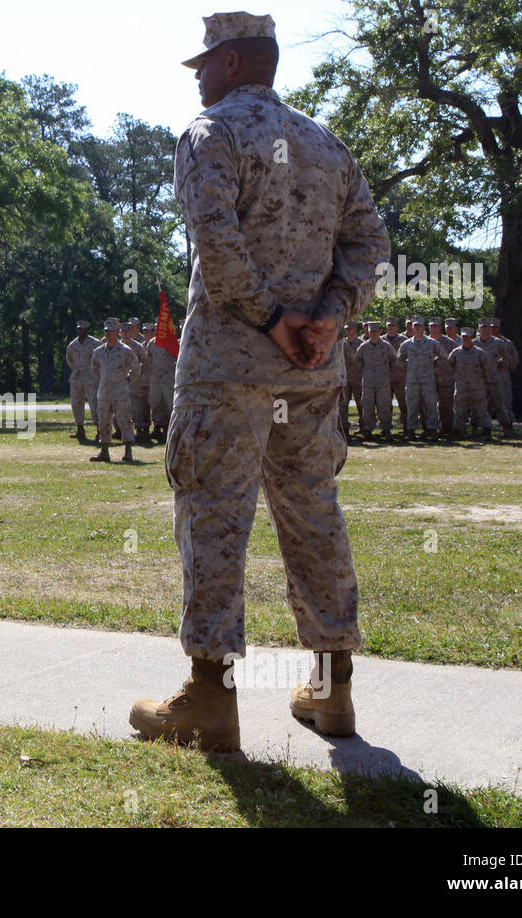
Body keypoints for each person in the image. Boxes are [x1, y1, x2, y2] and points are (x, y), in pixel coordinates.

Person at [129, 13, 389, 749]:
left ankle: (209, 701)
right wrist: (329, 317)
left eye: (203, 64)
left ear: (234, 62)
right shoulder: (325, 144)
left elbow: (216, 241)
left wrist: (274, 319)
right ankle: (332, 693)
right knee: (314, 516)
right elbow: (370, 240)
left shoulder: (211, 133)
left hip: (228, 373)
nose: (197, 77)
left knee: (214, 518)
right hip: (310, 377)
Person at [89, 318, 140, 463]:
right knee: (103, 421)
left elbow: (136, 368)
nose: (107, 334)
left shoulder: (125, 351)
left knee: (125, 421)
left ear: (117, 333)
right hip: (104, 392)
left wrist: (127, 380)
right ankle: (104, 452)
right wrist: (103, 380)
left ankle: (128, 452)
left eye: (110, 332)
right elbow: (94, 369)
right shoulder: (98, 352)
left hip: (120, 392)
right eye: (106, 331)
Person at [397, 318, 441, 440]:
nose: (417, 328)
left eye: (419, 326)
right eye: (415, 326)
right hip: (412, 380)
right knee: (412, 405)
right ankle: (411, 430)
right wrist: (409, 366)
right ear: (411, 328)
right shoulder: (406, 345)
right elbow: (399, 360)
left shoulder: (432, 343)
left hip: (428, 379)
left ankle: (432, 429)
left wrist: (434, 364)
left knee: (431, 405)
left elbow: (443, 357)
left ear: (423, 328)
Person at [448, 328, 493, 438]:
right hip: (461, 386)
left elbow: (487, 367)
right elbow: (450, 364)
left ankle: (486, 430)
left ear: (472, 338)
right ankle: (458, 431)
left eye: (467, 337)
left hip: (477, 386)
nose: (465, 339)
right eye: (463, 337)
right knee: (459, 410)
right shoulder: (456, 352)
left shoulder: (479, 353)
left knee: (481, 409)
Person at [356, 322, 397, 439]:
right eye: (371, 331)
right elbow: (357, 361)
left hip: (383, 382)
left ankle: (386, 429)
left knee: (384, 406)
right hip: (368, 382)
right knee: (367, 406)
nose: (373, 334)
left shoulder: (386, 346)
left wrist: (389, 374)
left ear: (380, 332)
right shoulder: (363, 347)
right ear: (368, 332)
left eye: (375, 331)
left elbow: (394, 360)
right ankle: (368, 429)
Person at [66, 320, 100, 440]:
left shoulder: (95, 343)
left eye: (83, 329)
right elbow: (69, 359)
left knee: (94, 403)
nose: (81, 331)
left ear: (87, 330)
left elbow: (101, 359)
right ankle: (80, 428)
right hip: (77, 376)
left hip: (91, 377)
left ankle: (99, 429)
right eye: (79, 329)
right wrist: (77, 369)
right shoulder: (72, 345)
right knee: (76, 403)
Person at [147, 323, 178, 440]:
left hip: (168, 379)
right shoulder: (152, 343)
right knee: (155, 403)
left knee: (170, 403)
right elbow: (148, 359)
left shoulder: (172, 342)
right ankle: (157, 428)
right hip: (155, 378)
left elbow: (178, 359)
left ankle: (170, 429)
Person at [428, 318, 457, 437]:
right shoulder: (423, 341)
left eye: (436, 326)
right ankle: (430, 428)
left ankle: (447, 428)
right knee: (428, 404)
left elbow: (455, 360)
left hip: (445, 378)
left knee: (446, 404)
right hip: (428, 378)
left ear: (441, 328)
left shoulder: (449, 343)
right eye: (431, 326)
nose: (434, 328)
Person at [383, 317, 408, 430]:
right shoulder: (381, 340)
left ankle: (407, 427)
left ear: (397, 327)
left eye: (393, 325)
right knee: (385, 404)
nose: (391, 327)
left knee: (403, 403)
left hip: (400, 377)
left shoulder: (404, 340)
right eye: (389, 325)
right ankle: (386, 428)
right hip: (385, 378)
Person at [339, 322, 362, 435]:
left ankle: (364, 428)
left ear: (356, 329)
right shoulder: (341, 344)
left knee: (361, 404)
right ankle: (344, 429)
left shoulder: (361, 343)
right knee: (343, 405)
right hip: (345, 380)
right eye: (347, 329)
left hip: (358, 379)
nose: (349, 331)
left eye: (351, 328)